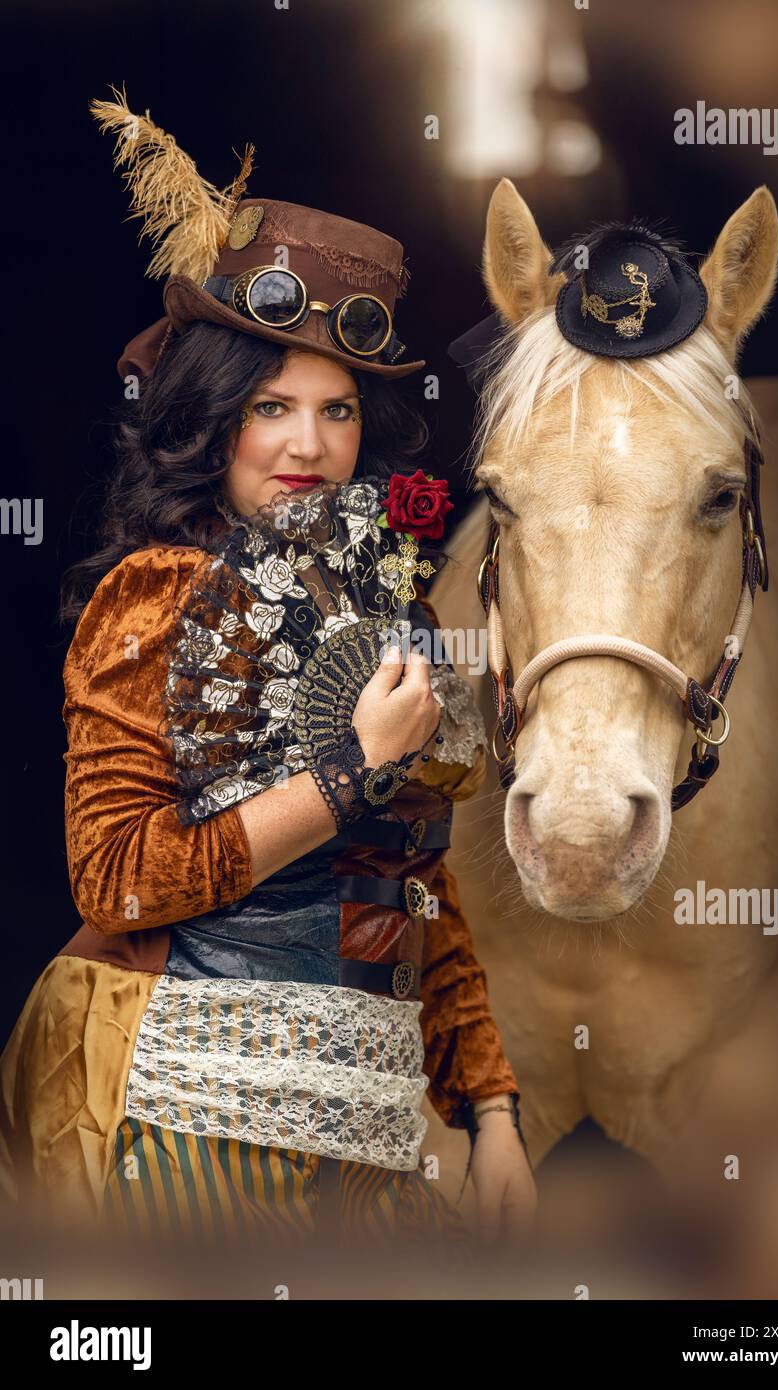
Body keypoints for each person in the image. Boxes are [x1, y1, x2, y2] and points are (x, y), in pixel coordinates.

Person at [0, 90, 535, 1255]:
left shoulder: (370, 611)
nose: (308, 445)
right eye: (270, 408)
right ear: (211, 423)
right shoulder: (159, 595)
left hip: (376, 1142)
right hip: (200, 1132)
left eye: (337, 412)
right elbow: (117, 880)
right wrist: (348, 776)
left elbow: (413, 891)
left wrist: (489, 1107)